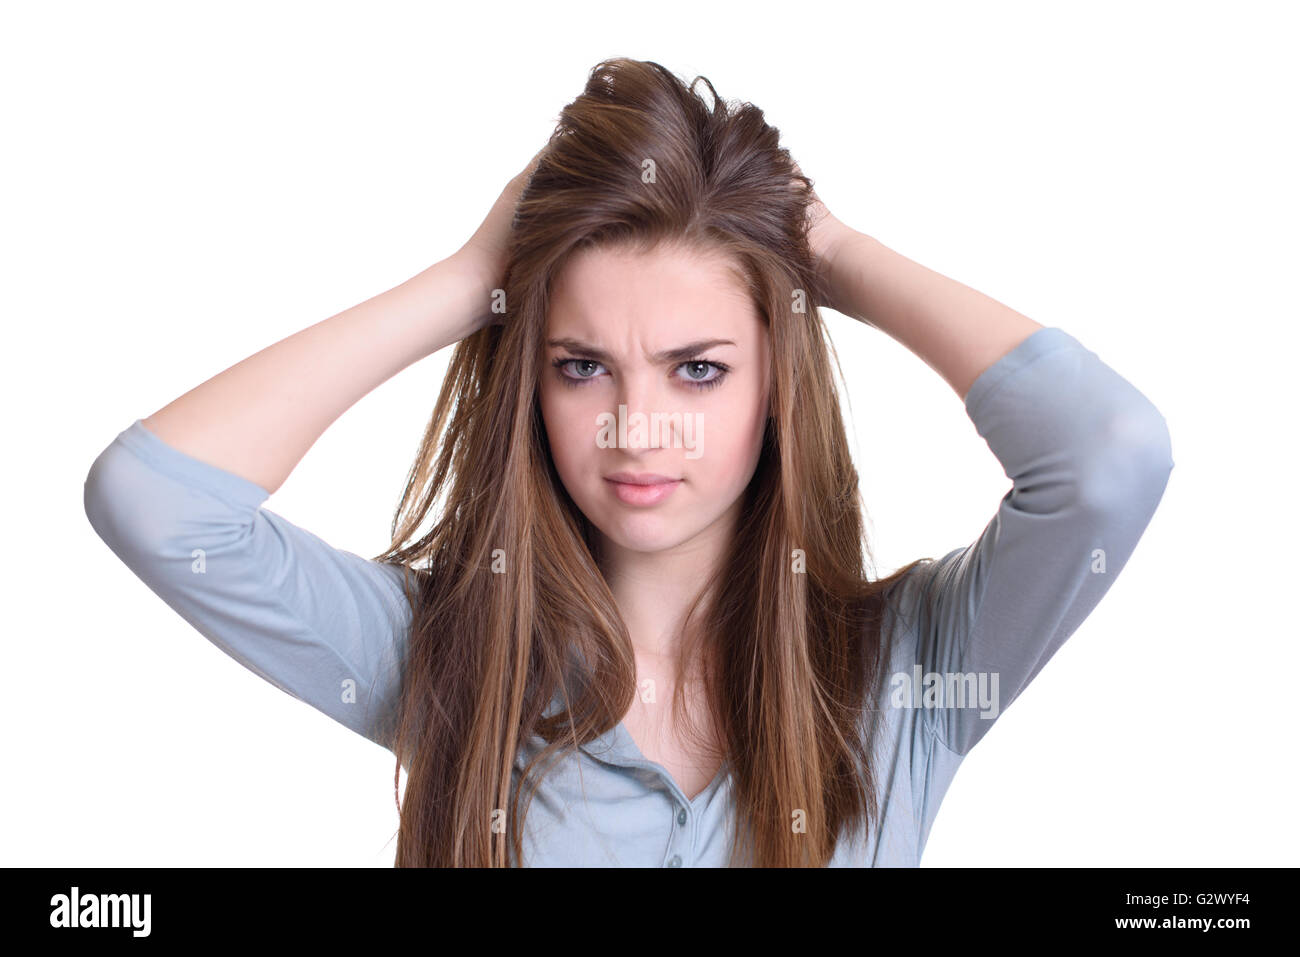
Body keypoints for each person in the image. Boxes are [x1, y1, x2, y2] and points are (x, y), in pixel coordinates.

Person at [84, 57, 1174, 867]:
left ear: (775, 384)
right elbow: (156, 500)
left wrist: (828, 252)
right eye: (581, 367)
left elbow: (1108, 458)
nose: (635, 429)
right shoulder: (451, 663)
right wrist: (475, 281)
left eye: (697, 370)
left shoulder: (911, 676)